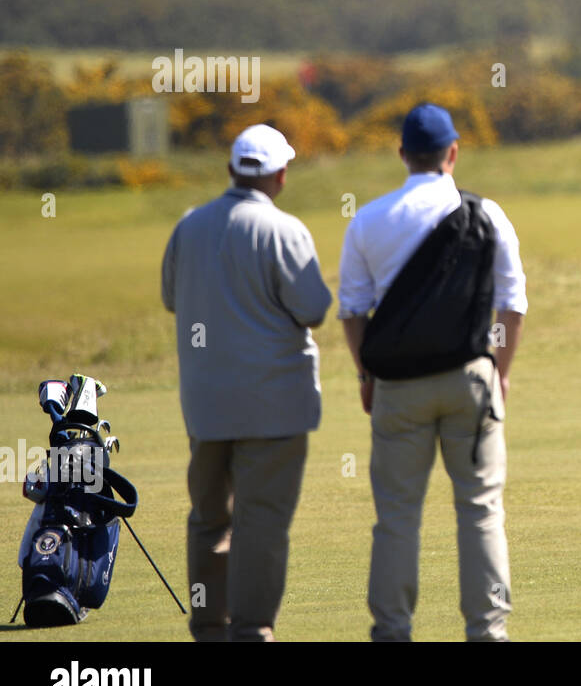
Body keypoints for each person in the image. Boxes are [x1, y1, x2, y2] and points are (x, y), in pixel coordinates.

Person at [338, 103, 527, 642]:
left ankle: (393, 631)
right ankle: (487, 632)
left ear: (402, 154)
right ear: (453, 153)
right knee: (481, 510)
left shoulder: (369, 218)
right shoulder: (488, 213)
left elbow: (352, 310)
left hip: (397, 387)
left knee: (397, 517)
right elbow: (512, 305)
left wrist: (365, 375)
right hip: (471, 378)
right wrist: (502, 373)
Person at [161, 123, 332, 640]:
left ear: (231, 169)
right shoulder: (286, 231)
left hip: (206, 404)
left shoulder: (189, 226)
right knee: (261, 524)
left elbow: (173, 298)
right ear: (281, 175)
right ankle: (252, 630)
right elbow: (315, 308)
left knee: (209, 519)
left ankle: (209, 627)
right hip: (274, 408)